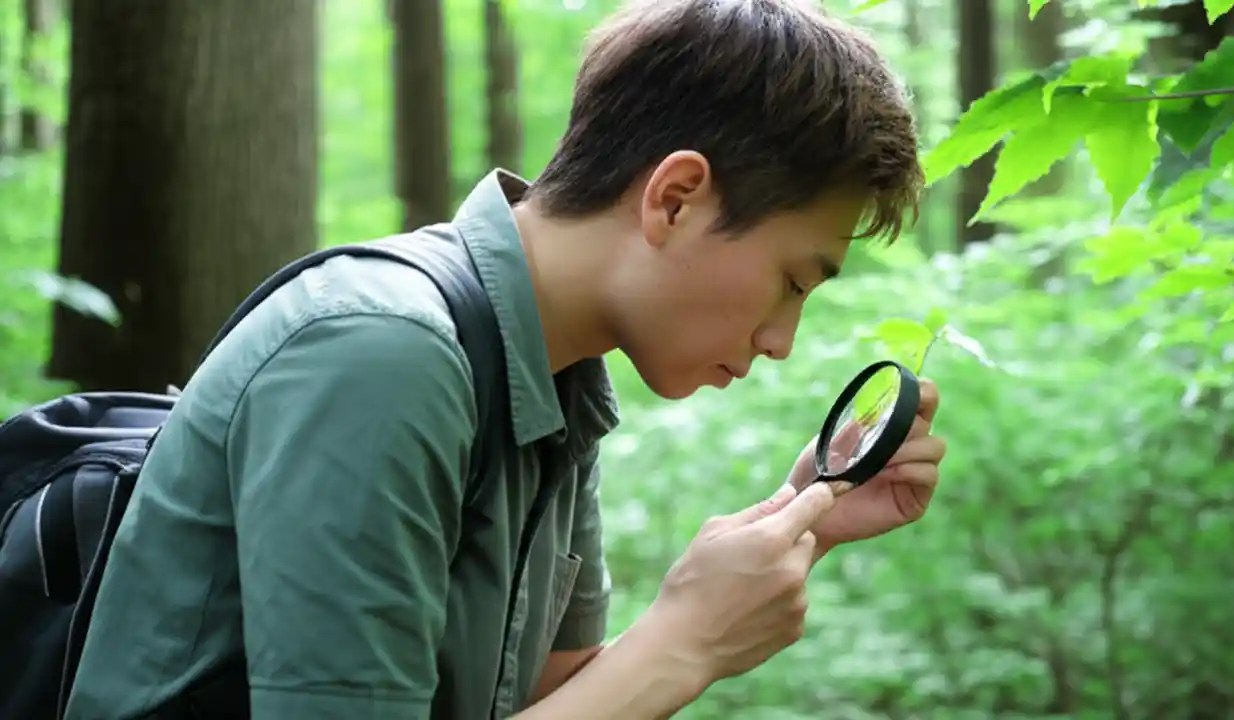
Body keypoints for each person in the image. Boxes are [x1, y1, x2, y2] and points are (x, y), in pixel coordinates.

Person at [64, 0, 946, 717]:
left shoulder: (557, 378)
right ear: (674, 199)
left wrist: (798, 522)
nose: (781, 341)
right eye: (793, 281)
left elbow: (558, 699)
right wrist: (683, 642)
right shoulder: (381, 352)